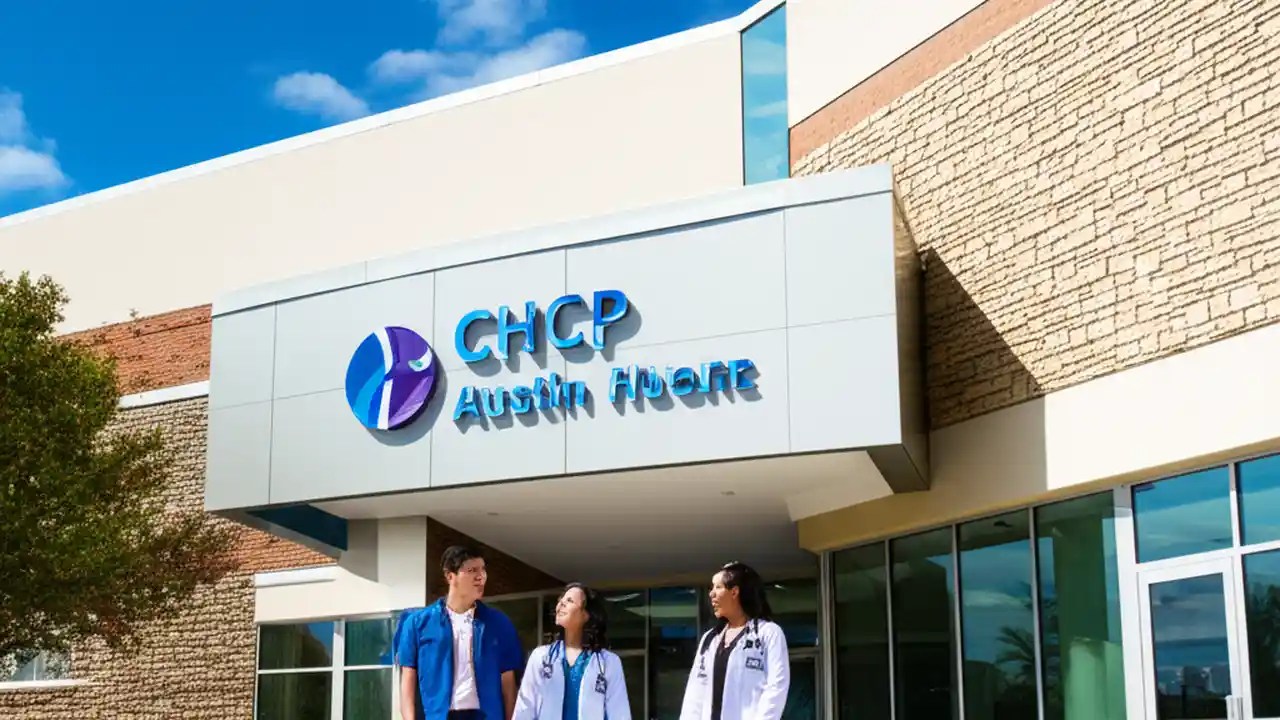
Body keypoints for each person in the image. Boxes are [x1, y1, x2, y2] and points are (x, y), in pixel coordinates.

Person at [395, 545, 525, 720]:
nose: (481, 577)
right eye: (472, 570)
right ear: (450, 576)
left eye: (483, 570)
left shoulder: (498, 623)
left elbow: (508, 684)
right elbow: (407, 685)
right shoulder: (418, 624)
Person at [679, 562, 790, 720]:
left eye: (718, 587)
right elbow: (695, 692)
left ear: (734, 592)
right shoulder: (710, 639)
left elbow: (777, 687)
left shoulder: (768, 633)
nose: (711, 594)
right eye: (711, 588)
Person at [513, 583, 631, 720]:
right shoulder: (541, 657)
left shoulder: (609, 663)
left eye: (569, 601)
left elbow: (620, 714)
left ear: (586, 615)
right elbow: (524, 709)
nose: (561, 603)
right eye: (561, 600)